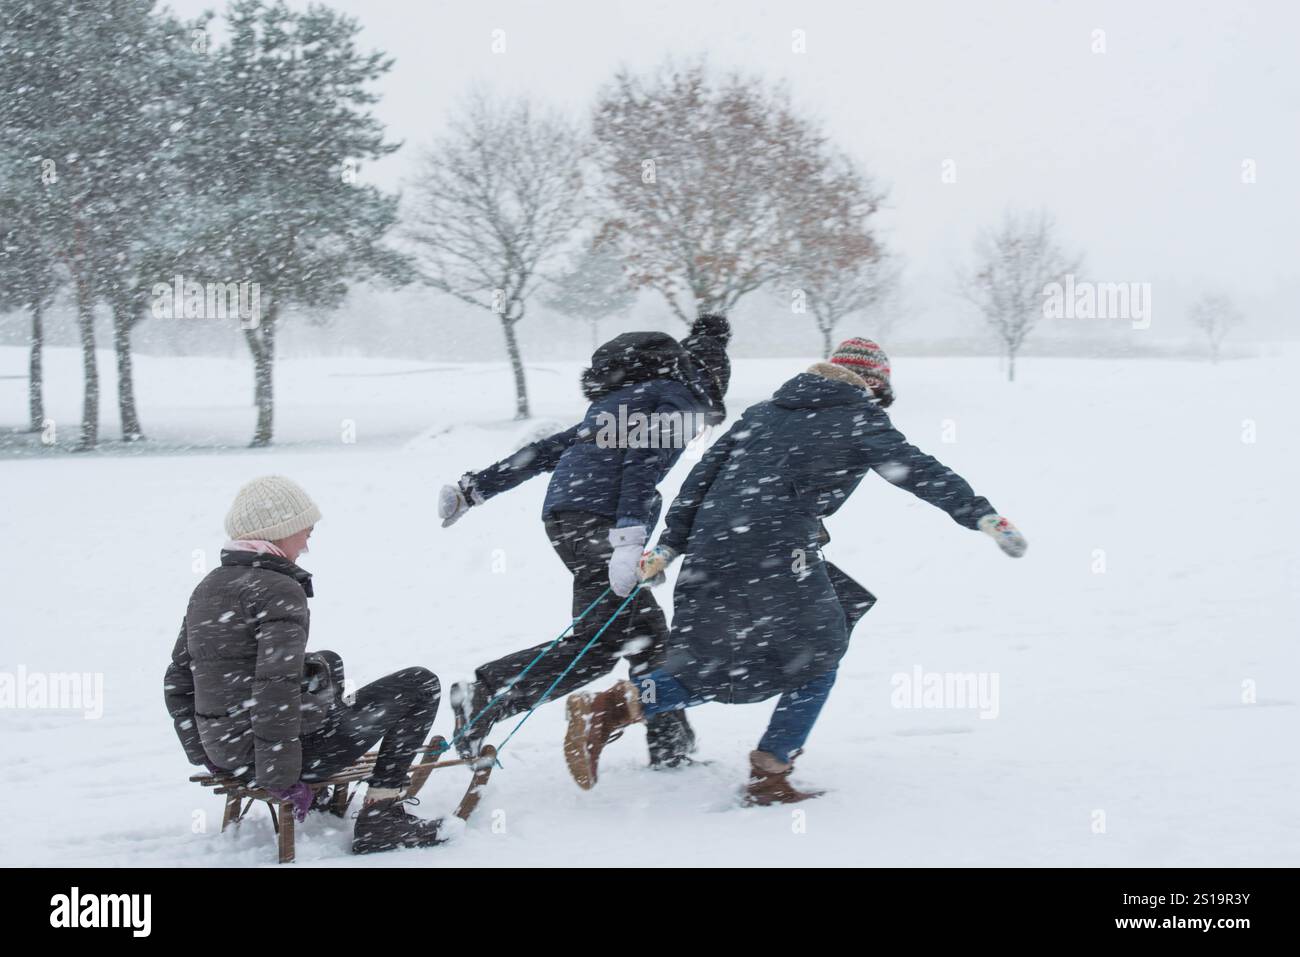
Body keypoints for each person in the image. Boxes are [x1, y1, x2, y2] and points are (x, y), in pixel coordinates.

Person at [562, 337, 1028, 805]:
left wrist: (669, 545)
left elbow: (700, 479)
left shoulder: (762, 413)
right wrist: (983, 516)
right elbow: (920, 471)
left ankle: (610, 710)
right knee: (818, 655)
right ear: (872, 384)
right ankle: (769, 772)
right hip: (778, 552)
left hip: (713, 549)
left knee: (714, 659)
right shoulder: (858, 416)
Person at [438, 314, 732, 768]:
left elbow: (555, 447)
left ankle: (671, 748)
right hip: (602, 524)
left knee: (644, 637)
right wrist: (629, 541)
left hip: (569, 519)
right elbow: (642, 462)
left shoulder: (624, 399)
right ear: (712, 379)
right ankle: (486, 694)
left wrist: (476, 487)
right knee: (602, 647)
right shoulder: (680, 400)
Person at [163, 475, 447, 854]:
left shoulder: (212, 586)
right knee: (420, 684)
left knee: (325, 662)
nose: (307, 546)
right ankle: (382, 818)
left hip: (230, 752)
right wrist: (282, 779)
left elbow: (177, 680)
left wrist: (209, 756)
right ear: (280, 532)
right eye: (306, 533)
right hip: (282, 760)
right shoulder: (279, 589)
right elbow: (274, 689)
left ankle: (327, 798)